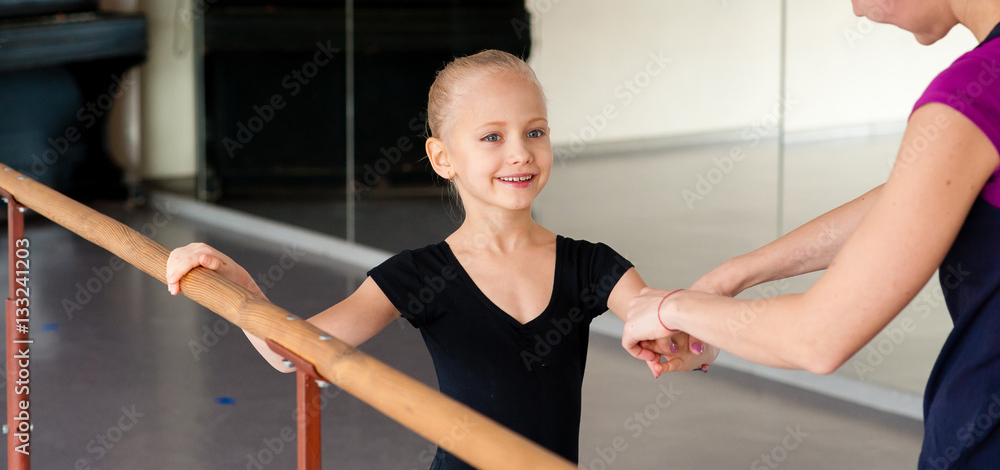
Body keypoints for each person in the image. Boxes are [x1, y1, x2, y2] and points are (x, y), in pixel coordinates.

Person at [623, 0, 1000, 467]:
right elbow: (931, 192)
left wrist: (672, 309)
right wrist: (742, 273)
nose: (856, 10)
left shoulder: (969, 97)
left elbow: (817, 337)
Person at [167, 50, 708, 469]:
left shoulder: (591, 266)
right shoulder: (420, 275)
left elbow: (651, 311)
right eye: (492, 136)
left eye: (535, 132)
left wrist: (687, 334)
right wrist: (238, 284)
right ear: (442, 157)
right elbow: (294, 351)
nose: (520, 151)